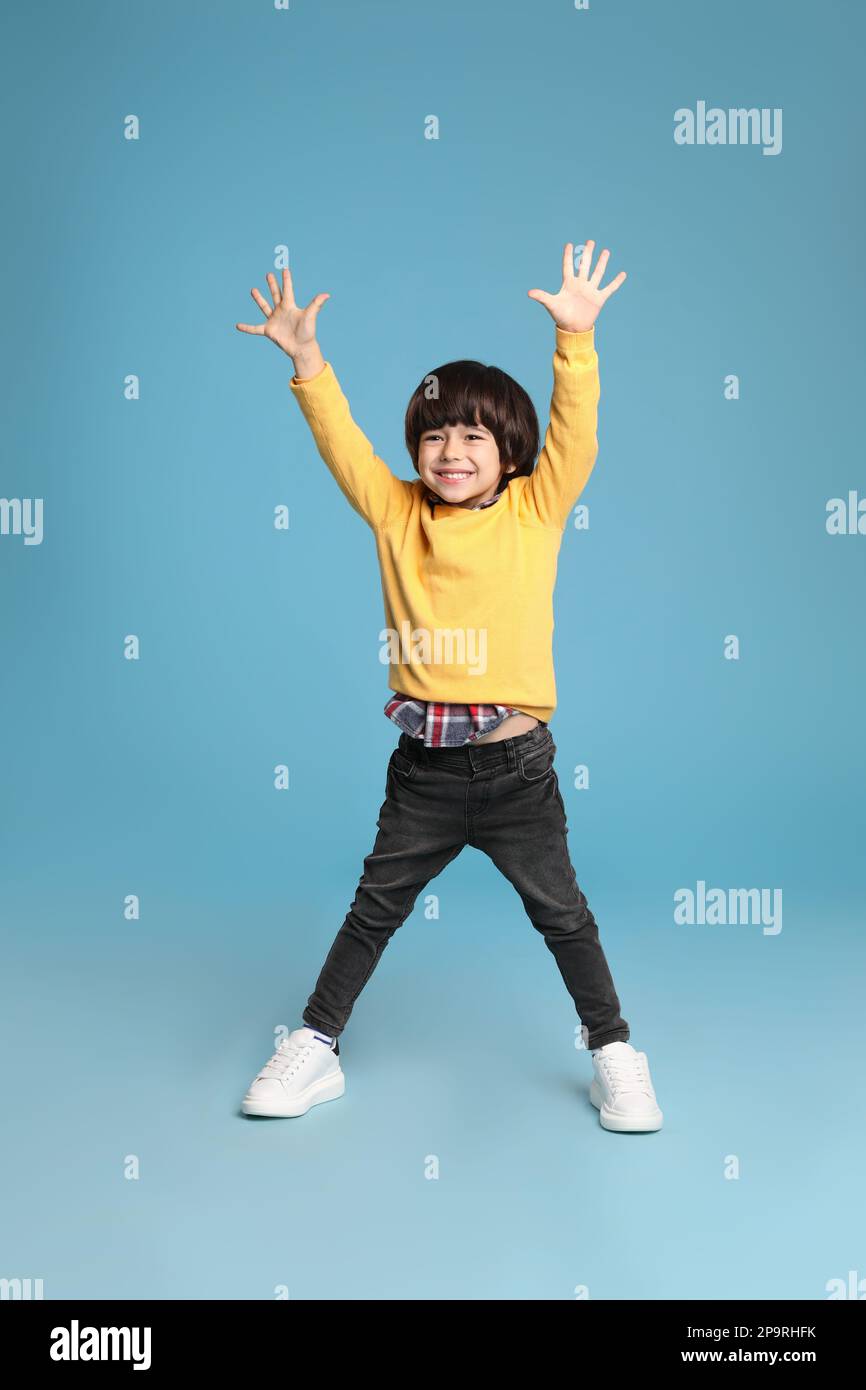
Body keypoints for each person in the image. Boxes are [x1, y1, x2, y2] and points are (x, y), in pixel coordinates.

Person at [234, 241, 662, 1132]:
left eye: (474, 436)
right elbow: (343, 448)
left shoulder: (536, 509)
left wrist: (575, 343)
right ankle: (315, 1046)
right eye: (434, 435)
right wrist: (309, 365)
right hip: (423, 774)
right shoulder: (396, 515)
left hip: (517, 773)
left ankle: (614, 1050)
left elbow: (576, 433)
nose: (451, 450)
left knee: (564, 915)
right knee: (372, 910)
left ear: (511, 452)